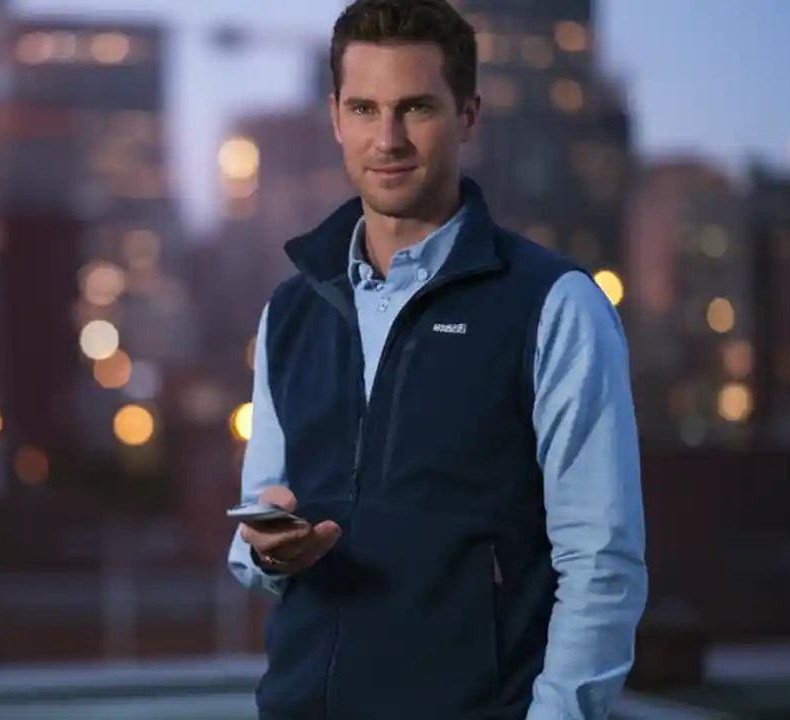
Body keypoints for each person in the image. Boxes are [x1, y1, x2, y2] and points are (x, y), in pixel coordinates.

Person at [226, 0, 648, 718]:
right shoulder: (290, 312)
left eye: (416, 108)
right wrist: (270, 548)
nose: (387, 139)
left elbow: (601, 563)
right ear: (335, 118)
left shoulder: (554, 305)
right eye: (364, 108)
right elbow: (256, 535)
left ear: (468, 116)